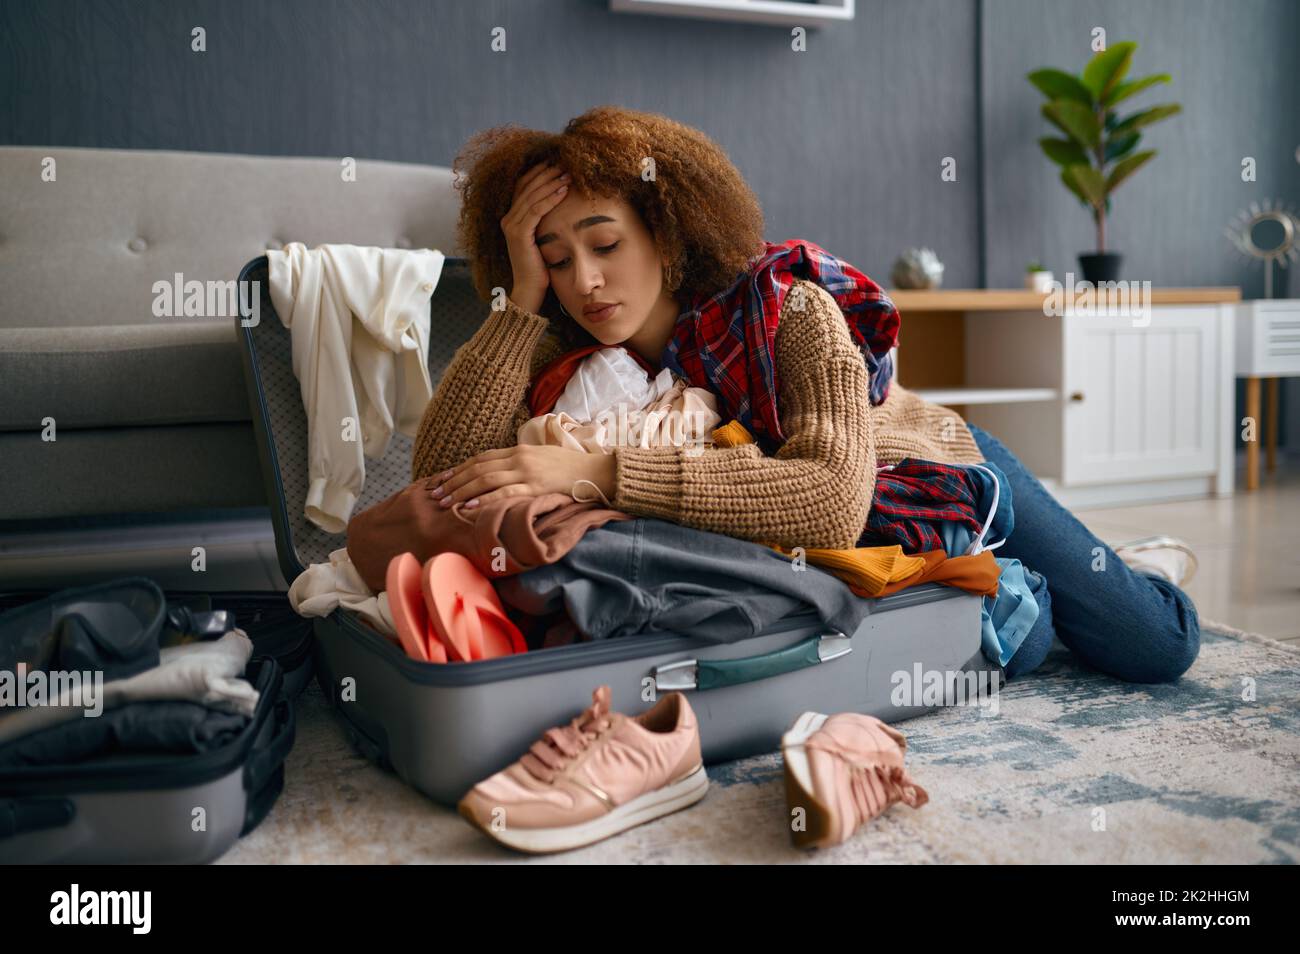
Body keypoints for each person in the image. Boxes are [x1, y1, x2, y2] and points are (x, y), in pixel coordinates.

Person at [410, 105, 1200, 683]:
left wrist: (597, 472)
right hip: (868, 553)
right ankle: (1031, 582)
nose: (583, 280)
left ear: (666, 228)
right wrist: (519, 299)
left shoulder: (789, 307)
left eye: (605, 243)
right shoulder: (562, 348)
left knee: (1154, 647)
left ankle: (1124, 566)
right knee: (1025, 647)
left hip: (933, 470)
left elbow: (830, 499)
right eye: (553, 256)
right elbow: (438, 483)